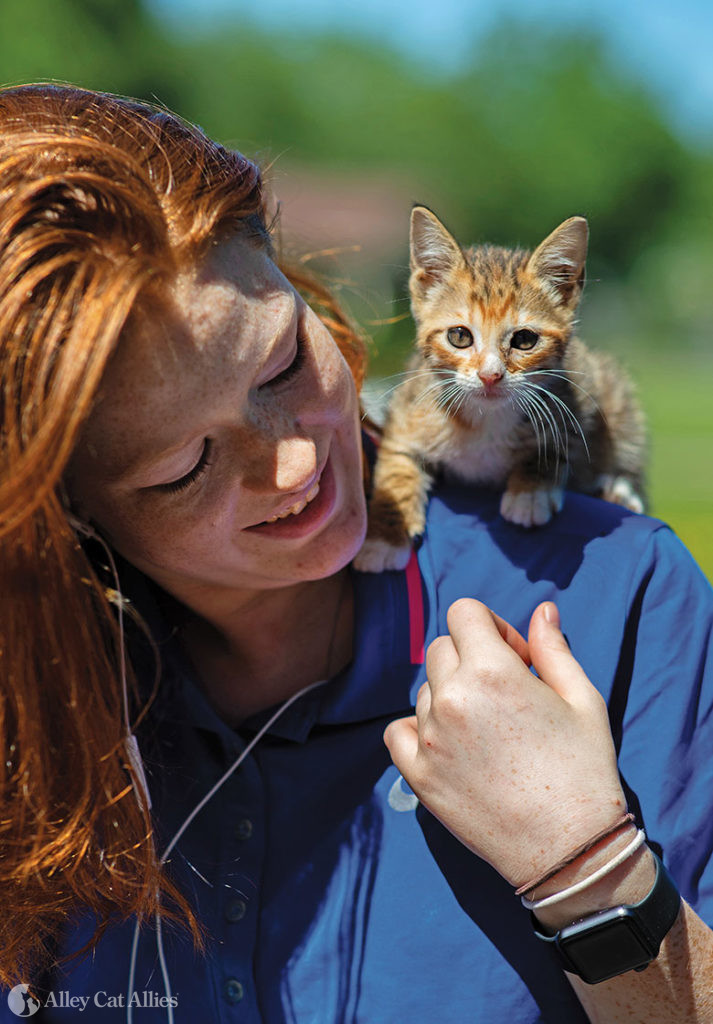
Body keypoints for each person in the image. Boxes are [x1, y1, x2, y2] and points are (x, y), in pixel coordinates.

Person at [0, 83, 712, 1023]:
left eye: (285, 364)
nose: (296, 465)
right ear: (60, 518)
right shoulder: (31, 688)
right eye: (185, 467)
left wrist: (587, 864)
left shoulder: (618, 592)